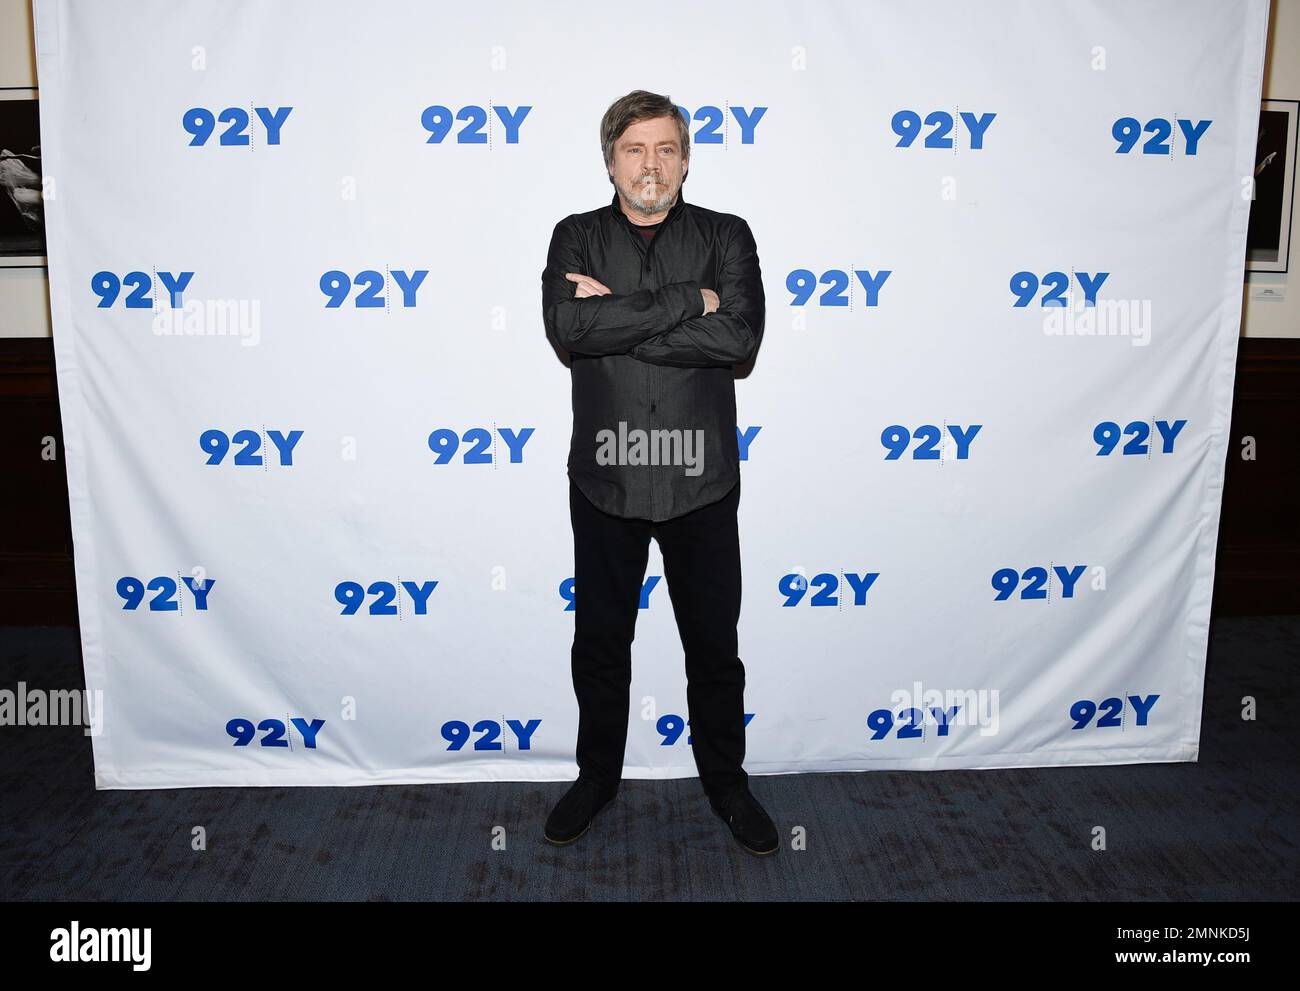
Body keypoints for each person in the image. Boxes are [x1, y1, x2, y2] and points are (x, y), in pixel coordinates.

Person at [539, 89, 776, 855]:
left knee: (714, 647)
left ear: (685, 159)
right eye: (636, 149)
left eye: (666, 149)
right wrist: (684, 303)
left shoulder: (726, 236)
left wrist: (624, 324)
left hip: (700, 482)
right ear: (611, 159)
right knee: (601, 644)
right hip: (606, 480)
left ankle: (729, 785)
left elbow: (737, 339)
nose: (652, 164)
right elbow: (570, 327)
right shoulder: (574, 236)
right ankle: (596, 776)